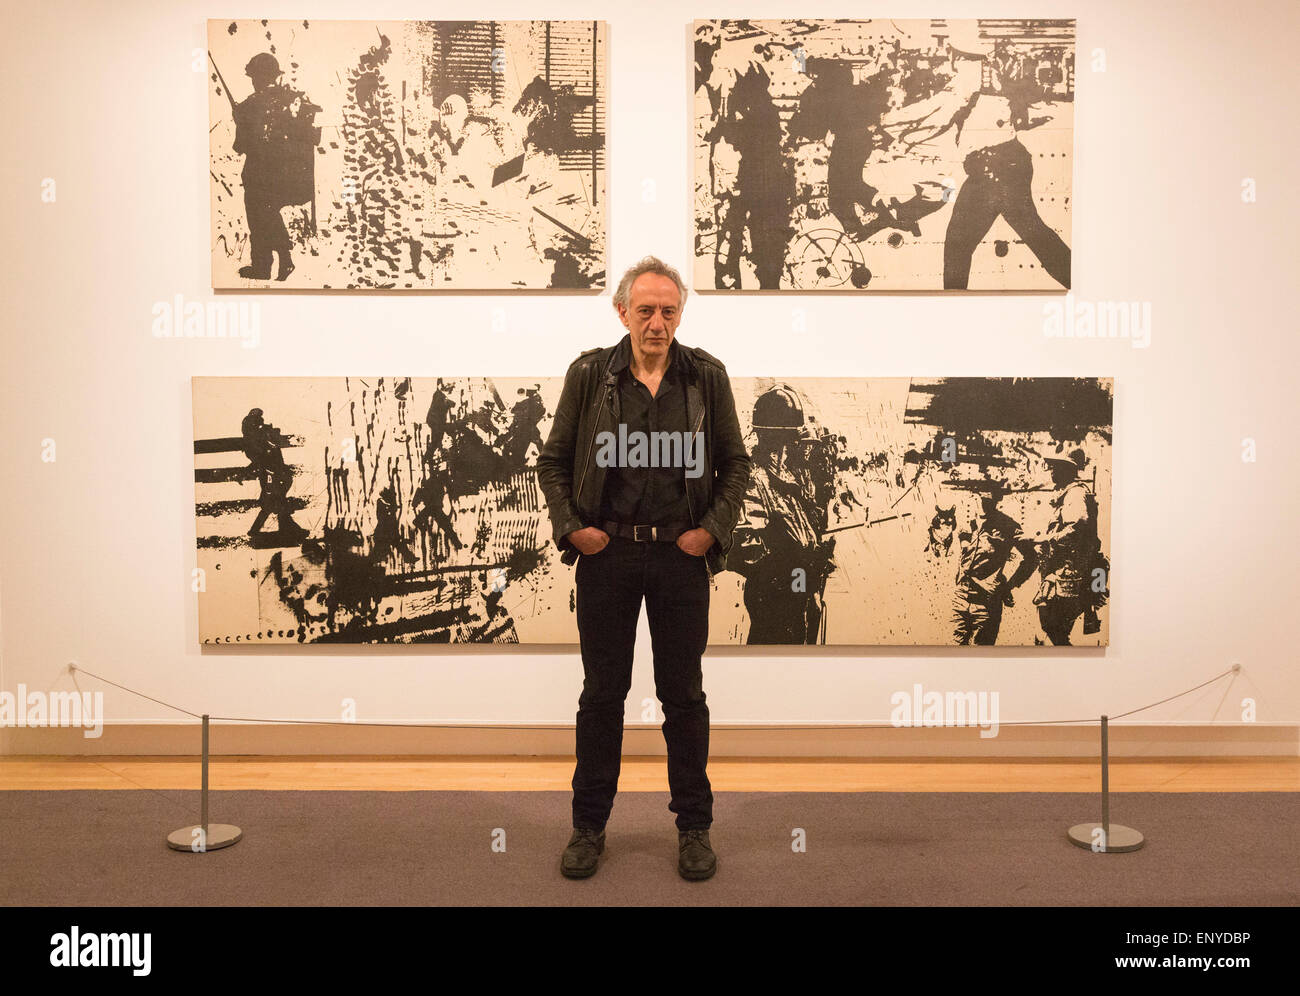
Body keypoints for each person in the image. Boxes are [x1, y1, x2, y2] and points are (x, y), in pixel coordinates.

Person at [536, 256, 750, 881]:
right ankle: (588, 828)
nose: (657, 323)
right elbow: (553, 461)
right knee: (603, 695)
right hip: (609, 557)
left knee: (683, 697)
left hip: (681, 559)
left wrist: (710, 531)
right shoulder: (589, 375)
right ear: (622, 310)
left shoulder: (705, 377)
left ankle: (693, 828)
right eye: (646, 310)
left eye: (669, 311)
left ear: (680, 313)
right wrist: (574, 527)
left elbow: (736, 463)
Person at [232, 53, 321, 281]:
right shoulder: (288, 99)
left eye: (253, 76)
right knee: (267, 213)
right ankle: (276, 261)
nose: (252, 80)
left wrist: (239, 118)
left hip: (258, 174)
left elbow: (240, 146)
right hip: (284, 175)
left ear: (259, 77)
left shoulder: (251, 105)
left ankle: (271, 263)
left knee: (258, 216)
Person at [949, 480, 1037, 645]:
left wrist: (1009, 585)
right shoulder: (970, 523)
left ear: (997, 500)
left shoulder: (1008, 526)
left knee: (982, 656)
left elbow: (1031, 558)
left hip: (987, 602)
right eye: (981, 498)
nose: (984, 504)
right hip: (961, 598)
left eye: (989, 500)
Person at [1034, 450, 1105, 644]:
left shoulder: (1074, 493)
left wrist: (1049, 539)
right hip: (1065, 569)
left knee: (1051, 622)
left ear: (1067, 470)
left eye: (1056, 468)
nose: (1051, 472)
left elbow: (1077, 526)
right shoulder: (1070, 492)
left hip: (1068, 571)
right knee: (1054, 625)